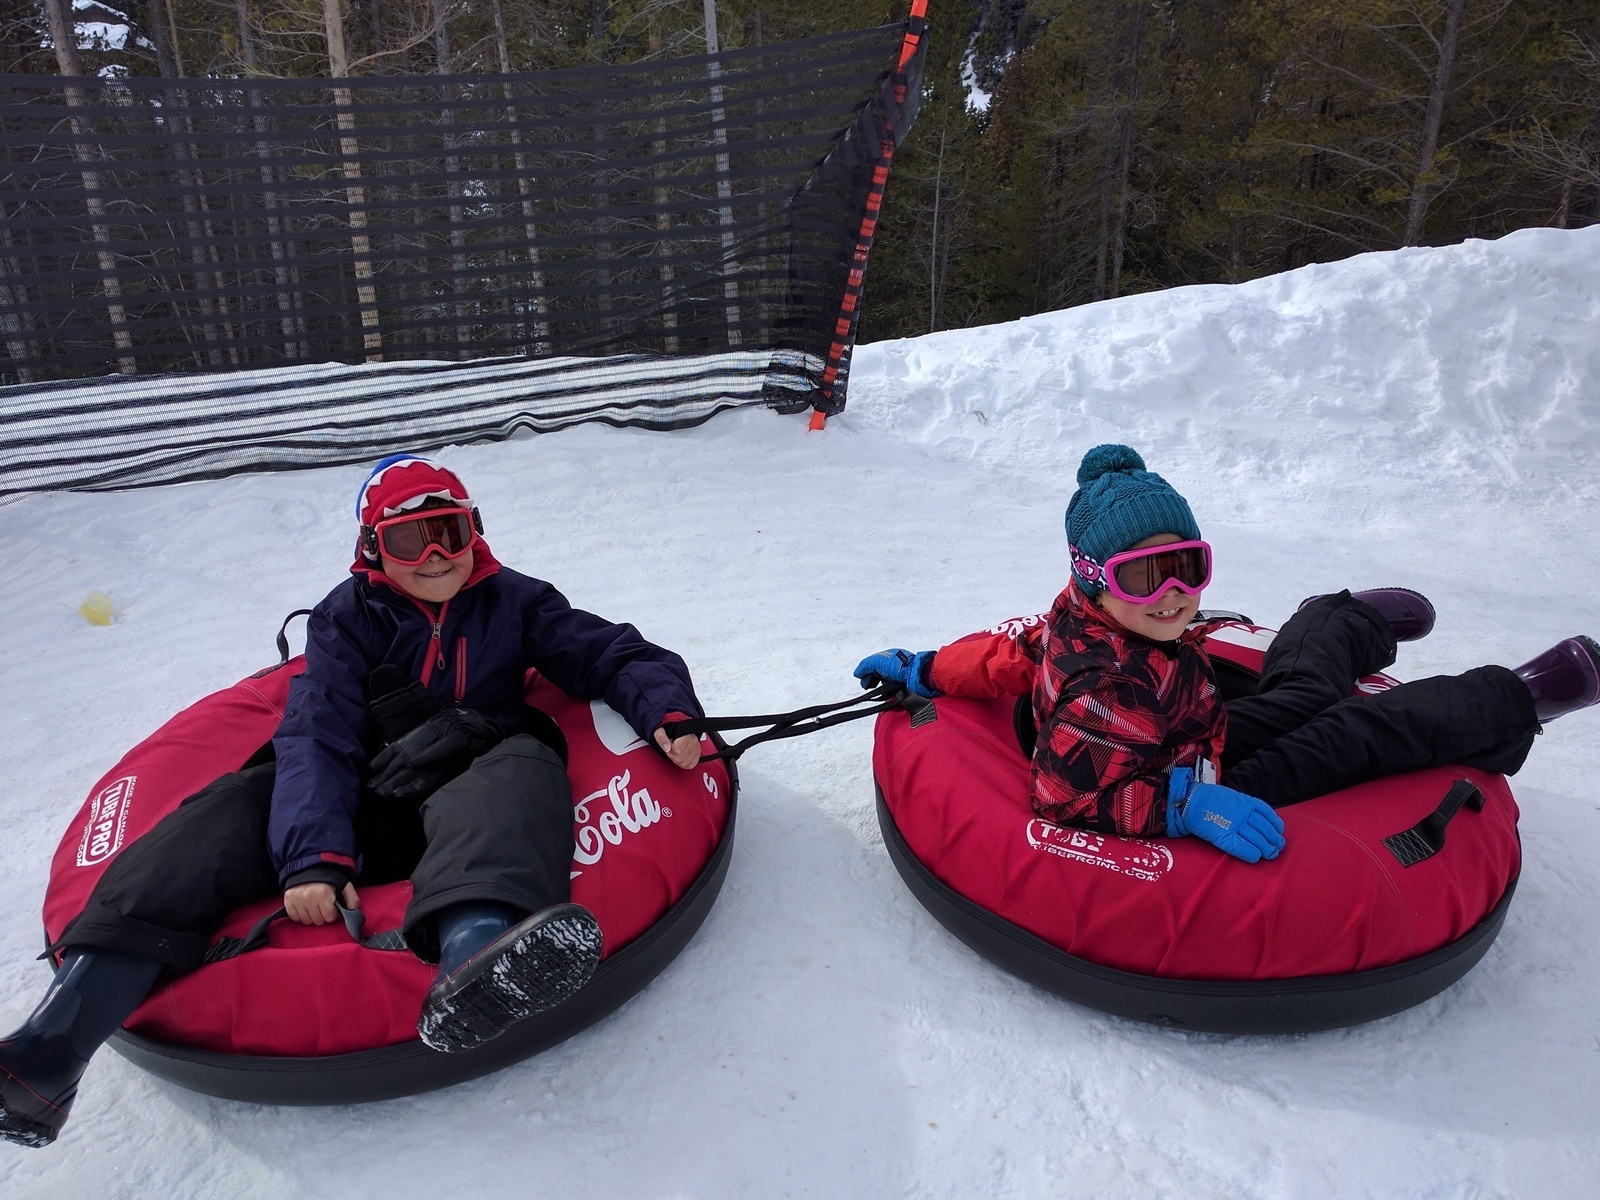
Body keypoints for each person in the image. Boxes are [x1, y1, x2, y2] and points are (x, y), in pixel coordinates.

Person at [0, 453, 706, 1148]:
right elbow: (317, 730)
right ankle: (50, 1049)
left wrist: (666, 713)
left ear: (475, 533)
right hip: (370, 786)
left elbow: (613, 653)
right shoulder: (346, 621)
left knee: (521, 765)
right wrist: (314, 858)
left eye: (451, 532)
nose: (435, 556)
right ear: (372, 548)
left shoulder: (515, 601)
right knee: (225, 814)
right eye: (408, 540)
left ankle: (478, 956)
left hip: (474, 768)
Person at [855, 443, 1600, 864]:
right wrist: (1185, 805)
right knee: (1356, 733)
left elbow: (998, 658)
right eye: (1145, 576)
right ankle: (1521, 694)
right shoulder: (1094, 692)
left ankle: (1336, 623)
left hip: (1194, 724)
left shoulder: (1083, 620)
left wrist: (923, 667)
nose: (1176, 594)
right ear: (1095, 582)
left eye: (1188, 564)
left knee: (1308, 695)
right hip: (1186, 776)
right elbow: (1070, 799)